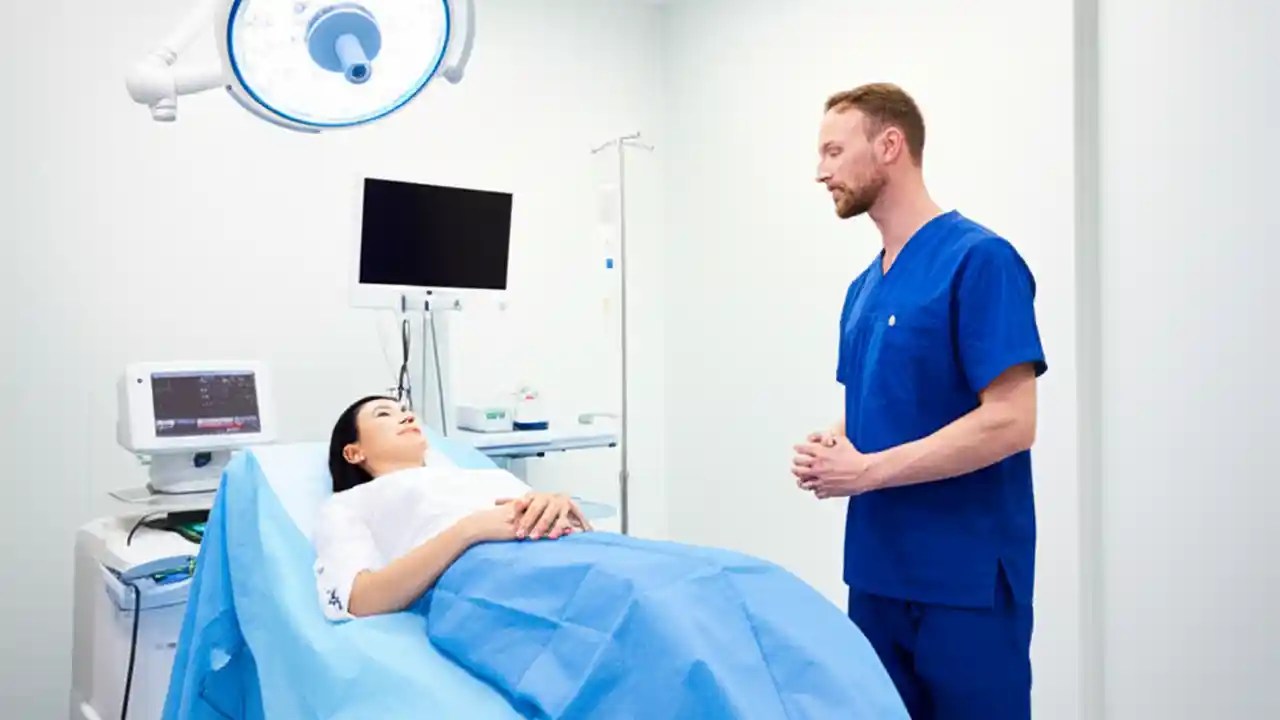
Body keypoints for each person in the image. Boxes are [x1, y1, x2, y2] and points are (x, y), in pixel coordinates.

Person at [791, 82, 1046, 719]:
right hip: (877, 575)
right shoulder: (863, 289)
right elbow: (875, 402)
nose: (820, 171)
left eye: (833, 151)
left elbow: (1012, 421)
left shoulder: (980, 261)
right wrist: (833, 443)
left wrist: (867, 471)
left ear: (889, 145)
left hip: (964, 582)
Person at [313, 394, 593, 620]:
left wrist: (553, 503)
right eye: (384, 414)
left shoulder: (484, 476)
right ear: (354, 452)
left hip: (573, 553)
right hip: (495, 576)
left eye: (406, 411)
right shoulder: (347, 503)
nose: (408, 416)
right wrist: (469, 530)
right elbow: (358, 600)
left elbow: (556, 521)